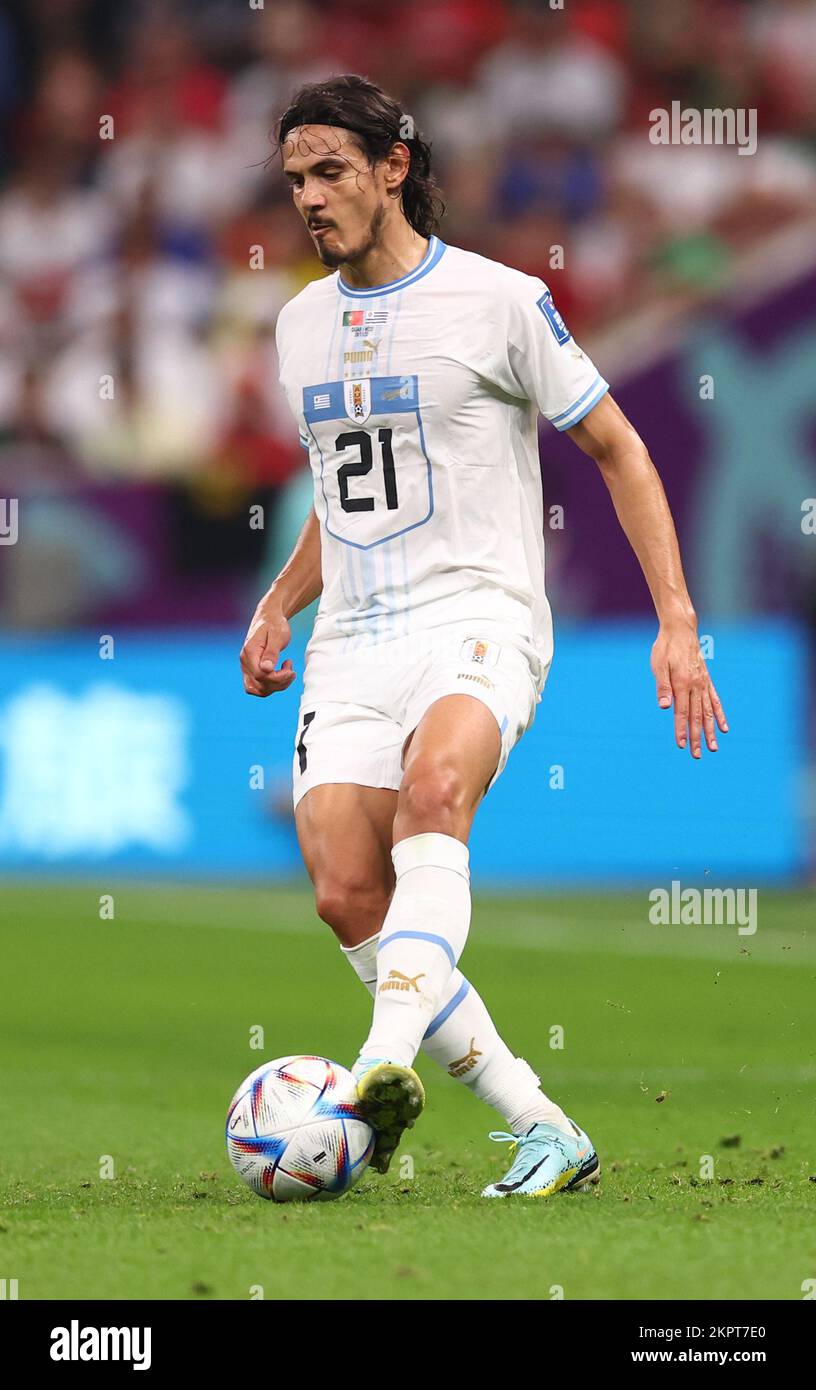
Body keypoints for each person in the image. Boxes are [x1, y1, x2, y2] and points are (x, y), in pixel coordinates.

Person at [239, 75, 728, 1198]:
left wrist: (677, 618)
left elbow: (620, 448)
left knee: (436, 791)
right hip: (354, 638)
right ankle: (544, 1124)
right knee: (346, 894)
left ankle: (378, 1068)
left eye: (331, 172)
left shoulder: (500, 301)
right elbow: (346, 487)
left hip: (480, 612)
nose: (310, 199)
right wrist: (281, 600)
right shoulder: (300, 323)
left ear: (394, 168)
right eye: (296, 180)